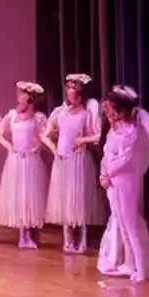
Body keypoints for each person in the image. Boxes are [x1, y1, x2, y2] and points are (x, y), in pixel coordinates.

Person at [97, 85, 149, 282]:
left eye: (110, 108)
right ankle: (130, 263)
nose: (108, 112)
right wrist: (104, 173)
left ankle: (143, 268)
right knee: (122, 223)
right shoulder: (115, 130)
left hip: (126, 181)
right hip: (114, 182)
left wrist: (110, 171)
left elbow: (127, 158)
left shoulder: (133, 131)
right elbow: (108, 154)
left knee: (132, 223)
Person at [42, 73, 105, 253]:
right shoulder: (60, 113)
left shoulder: (86, 113)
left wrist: (82, 140)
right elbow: (45, 134)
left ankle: (83, 239)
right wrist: (55, 150)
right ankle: (68, 239)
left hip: (79, 160)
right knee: (64, 198)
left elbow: (98, 135)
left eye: (73, 89)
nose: (69, 92)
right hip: (63, 159)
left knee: (79, 199)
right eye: (68, 89)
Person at [0, 81, 49, 249]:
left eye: (23, 94)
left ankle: (29, 233)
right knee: (18, 195)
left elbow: (44, 137)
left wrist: (37, 148)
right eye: (19, 94)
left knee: (29, 196)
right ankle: (22, 234)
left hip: (31, 161)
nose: (19, 97)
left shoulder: (38, 117)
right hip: (16, 160)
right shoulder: (12, 115)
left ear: (30, 98)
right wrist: (9, 146)